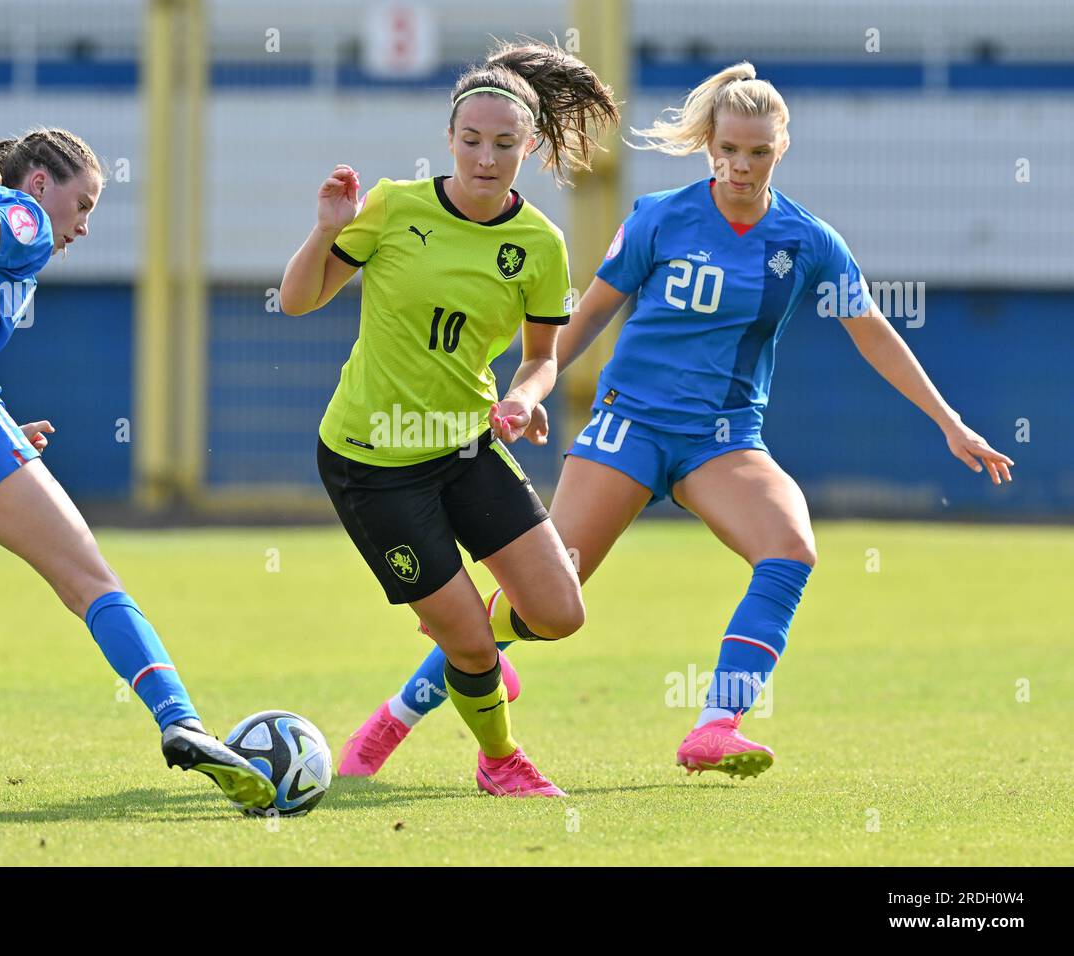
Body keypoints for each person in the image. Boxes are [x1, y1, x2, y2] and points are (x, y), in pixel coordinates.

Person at [339, 61, 1014, 780]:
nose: (741, 166)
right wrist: (529, 393)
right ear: (709, 146)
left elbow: (872, 329)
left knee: (790, 549)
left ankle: (716, 725)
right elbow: (587, 315)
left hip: (723, 441)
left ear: (780, 148)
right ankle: (394, 719)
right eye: (728, 150)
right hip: (627, 428)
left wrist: (950, 421)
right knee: (545, 607)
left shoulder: (808, 240)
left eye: (757, 152)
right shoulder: (659, 217)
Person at [0, 127, 275, 813]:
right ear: (42, 184)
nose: (83, 225)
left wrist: (2, 429)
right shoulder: (20, 213)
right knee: (90, 580)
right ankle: (181, 722)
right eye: (86, 203)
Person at [281, 40, 619, 797]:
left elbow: (542, 357)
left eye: (504, 144)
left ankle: (467, 638)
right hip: (371, 463)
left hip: (465, 447)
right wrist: (327, 227)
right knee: (467, 642)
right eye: (471, 141)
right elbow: (298, 300)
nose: (485, 158)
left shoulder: (539, 244)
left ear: (528, 147)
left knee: (561, 613)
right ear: (449, 140)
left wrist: (526, 399)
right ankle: (499, 758)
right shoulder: (395, 208)